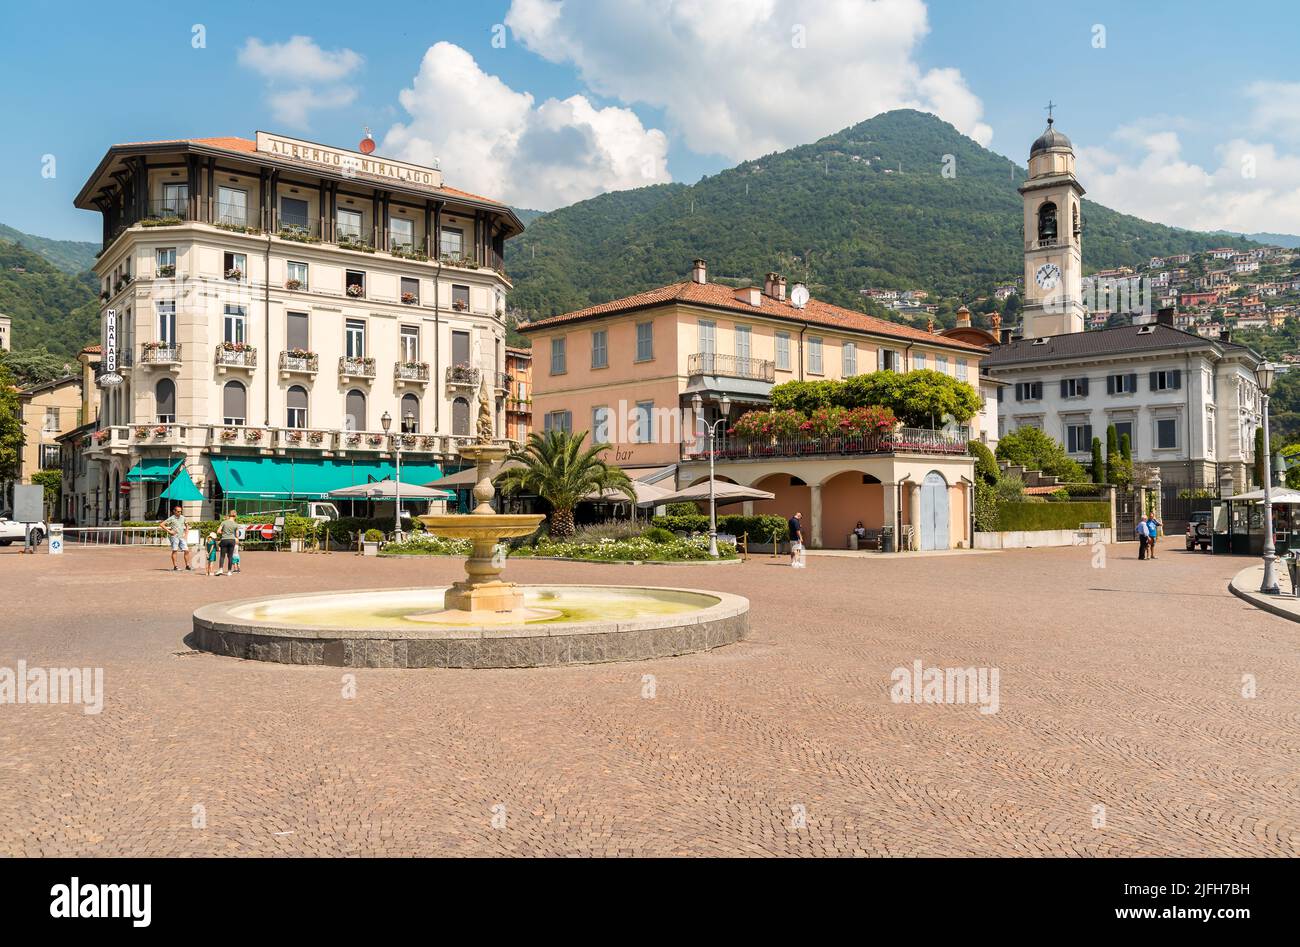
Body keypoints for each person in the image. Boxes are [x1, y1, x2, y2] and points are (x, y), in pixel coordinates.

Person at [161, 504, 191, 571]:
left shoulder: (183, 518)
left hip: (181, 536)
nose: (179, 513)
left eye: (180, 511)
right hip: (174, 536)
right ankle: (175, 566)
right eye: (178, 511)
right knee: (175, 550)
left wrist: (186, 534)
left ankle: (187, 565)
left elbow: (187, 526)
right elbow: (162, 524)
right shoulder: (171, 518)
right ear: (174, 511)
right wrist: (169, 531)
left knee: (186, 550)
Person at [217, 511, 239, 575]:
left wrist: (224, 533)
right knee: (230, 556)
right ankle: (229, 571)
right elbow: (237, 535)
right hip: (232, 540)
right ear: (235, 516)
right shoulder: (236, 524)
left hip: (224, 539)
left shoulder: (224, 522)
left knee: (222, 556)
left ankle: (221, 569)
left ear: (229, 515)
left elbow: (218, 531)